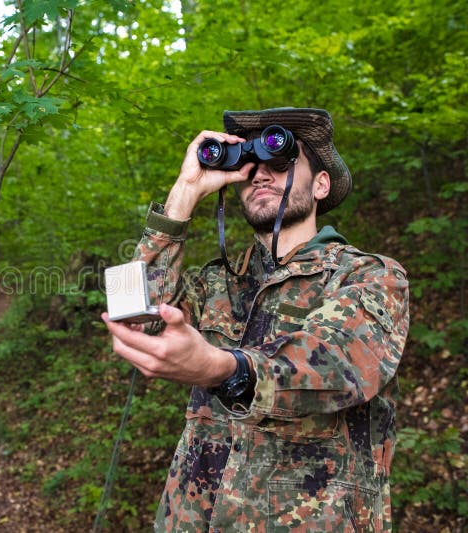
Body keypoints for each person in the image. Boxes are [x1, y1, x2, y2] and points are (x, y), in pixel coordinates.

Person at [102, 107, 409, 532]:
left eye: (281, 160)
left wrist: (221, 367)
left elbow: (338, 364)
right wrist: (183, 193)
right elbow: (134, 317)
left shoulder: (370, 276)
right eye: (250, 163)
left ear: (321, 184)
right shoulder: (217, 281)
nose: (261, 174)